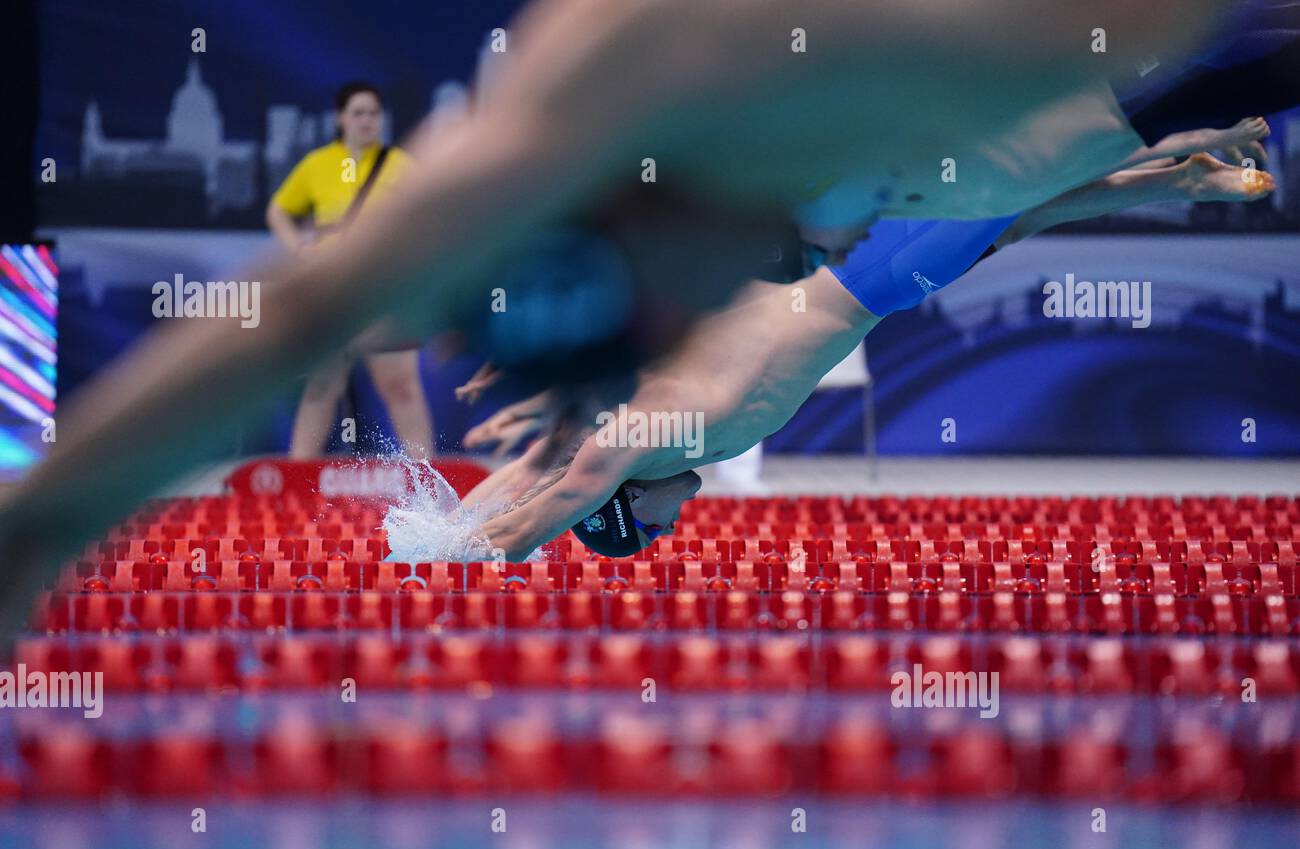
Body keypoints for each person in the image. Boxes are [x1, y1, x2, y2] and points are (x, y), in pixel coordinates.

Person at [0, 0, 1230, 640]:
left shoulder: (638, 87)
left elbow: (309, 319)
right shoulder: (824, 181)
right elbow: (307, 315)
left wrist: (460, 550)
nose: (693, 321)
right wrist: (1157, 177)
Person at [461, 147, 1275, 560]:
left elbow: (552, 498)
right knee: (1018, 212)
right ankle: (1181, 173)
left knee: (1022, 185)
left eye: (656, 530)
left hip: (867, 281)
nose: (675, 527)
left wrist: (468, 552)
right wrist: (465, 521)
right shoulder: (667, 432)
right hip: (870, 284)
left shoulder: (648, 437)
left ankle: (1179, 146)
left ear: (628, 505)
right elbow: (540, 471)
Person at [266, 81, 435, 459]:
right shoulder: (318, 164)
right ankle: (297, 474)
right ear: (342, 118)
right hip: (333, 286)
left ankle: (428, 476)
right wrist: (300, 249)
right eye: (358, 113)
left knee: (401, 385)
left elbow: (427, 211)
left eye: (373, 113)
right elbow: (278, 211)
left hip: (386, 285)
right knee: (322, 384)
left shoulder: (401, 165)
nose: (366, 120)